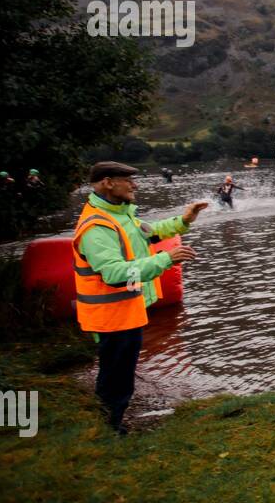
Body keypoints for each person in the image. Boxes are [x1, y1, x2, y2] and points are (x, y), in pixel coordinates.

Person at [74, 161, 207, 433]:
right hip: (110, 316)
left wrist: (183, 221)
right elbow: (113, 273)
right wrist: (165, 259)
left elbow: (150, 232)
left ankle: (110, 423)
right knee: (116, 376)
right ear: (107, 183)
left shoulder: (121, 215)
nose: (135, 185)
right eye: (128, 180)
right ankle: (109, 430)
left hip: (126, 310)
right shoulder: (97, 226)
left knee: (120, 371)